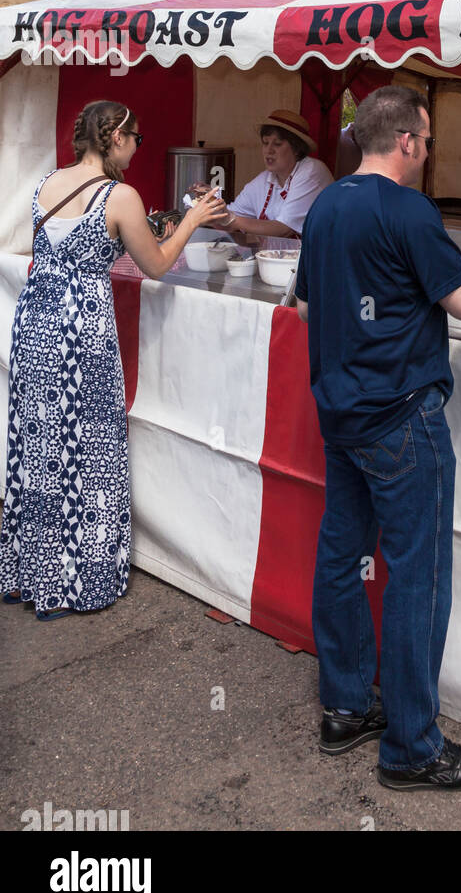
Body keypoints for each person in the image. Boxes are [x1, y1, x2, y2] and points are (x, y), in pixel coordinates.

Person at [295, 85, 461, 790]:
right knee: (416, 574)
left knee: (343, 557)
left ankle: (346, 705)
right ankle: (413, 746)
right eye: (426, 137)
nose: (427, 149)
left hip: (341, 410)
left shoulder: (326, 203)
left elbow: (306, 302)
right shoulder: (407, 209)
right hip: (400, 415)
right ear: (409, 142)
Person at [1, 101, 224, 621]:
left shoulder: (46, 184)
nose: (136, 146)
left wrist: (156, 223)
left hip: (36, 324)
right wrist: (191, 218)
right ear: (116, 138)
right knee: (92, 446)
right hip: (82, 335)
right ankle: (82, 578)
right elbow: (158, 265)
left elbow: (75, 245)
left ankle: (34, 573)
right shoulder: (119, 194)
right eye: (136, 139)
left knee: (41, 447)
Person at [211, 109, 332, 246]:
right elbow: (228, 217)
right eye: (265, 142)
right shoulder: (264, 180)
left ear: (297, 148)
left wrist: (230, 219)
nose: (269, 150)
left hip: (313, 262)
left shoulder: (311, 171)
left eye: (277, 144)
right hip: (277, 262)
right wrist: (210, 206)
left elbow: (283, 229)